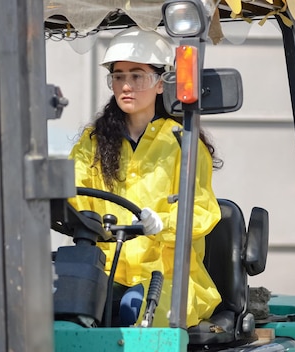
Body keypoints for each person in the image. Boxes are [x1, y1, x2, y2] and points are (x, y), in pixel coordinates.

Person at [68, 26, 222, 328]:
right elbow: (73, 190)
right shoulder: (93, 141)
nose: (126, 85)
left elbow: (202, 210)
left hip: (167, 278)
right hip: (103, 271)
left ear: (161, 83)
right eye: (119, 76)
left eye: (137, 75)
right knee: (61, 312)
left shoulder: (184, 143)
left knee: (137, 313)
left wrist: (164, 223)